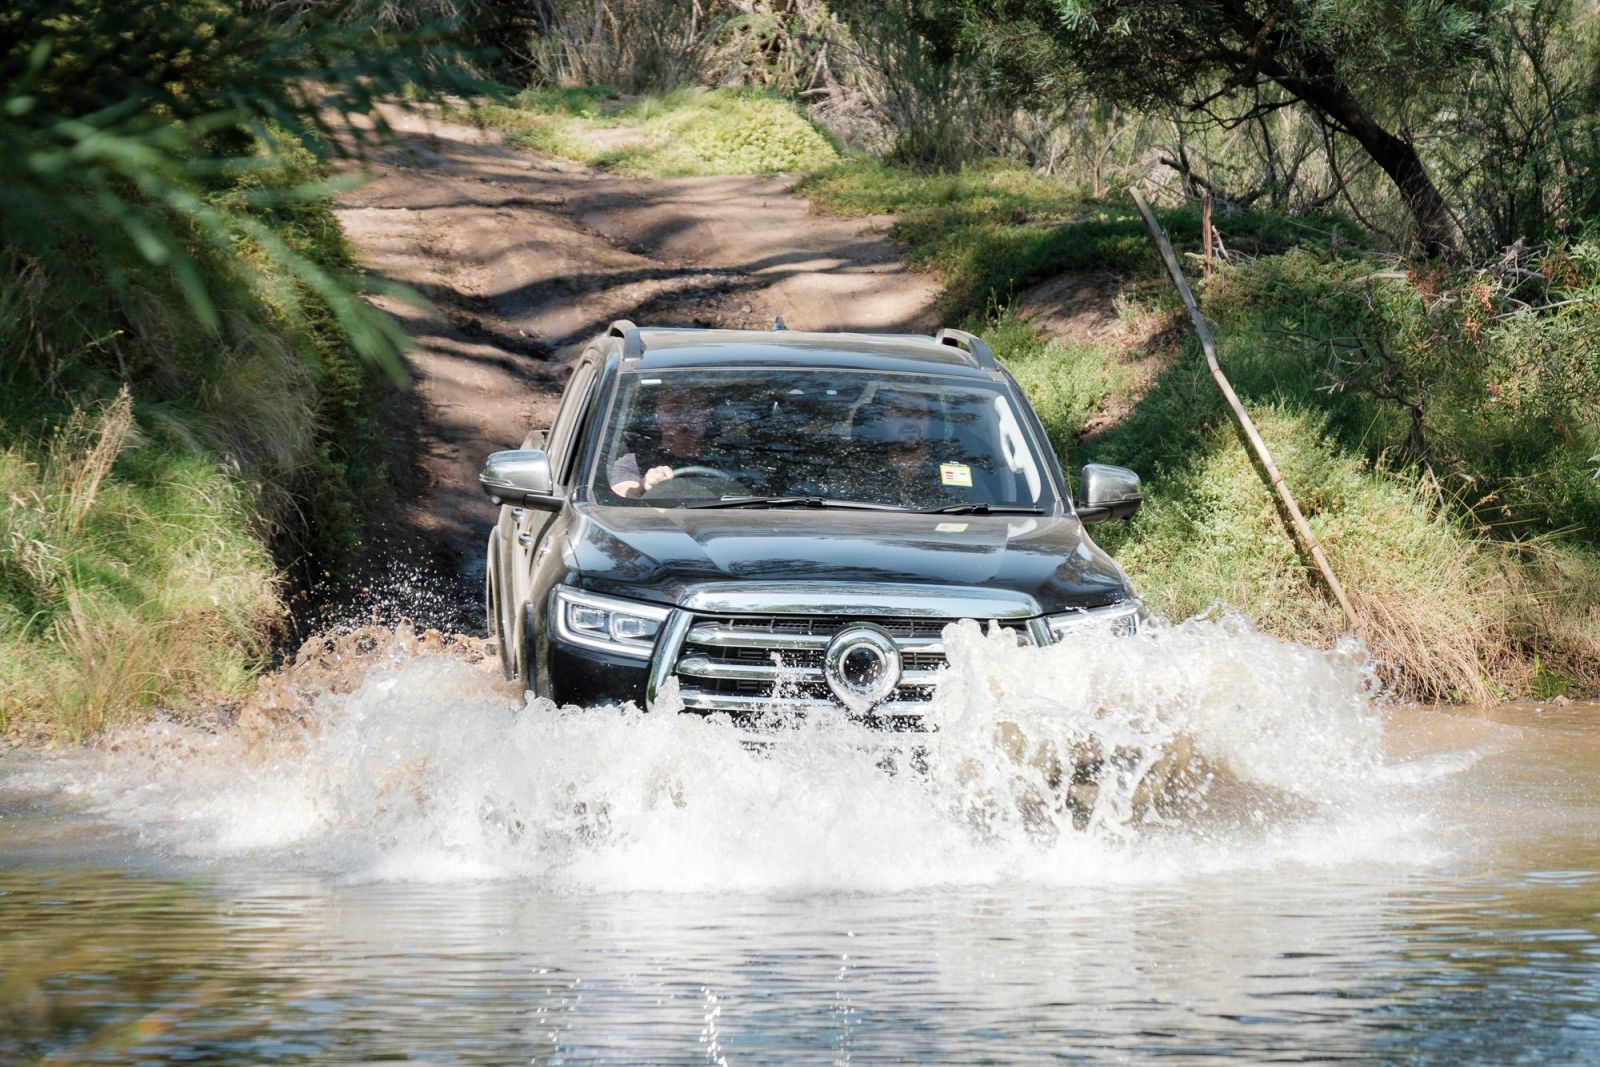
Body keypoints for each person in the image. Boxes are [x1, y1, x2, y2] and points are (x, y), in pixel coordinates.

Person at [608, 382, 713, 499]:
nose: (684, 418)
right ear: (658, 415)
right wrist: (644, 485)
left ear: (707, 416)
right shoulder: (634, 463)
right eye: (674, 409)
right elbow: (620, 496)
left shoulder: (727, 458)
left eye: (694, 409)